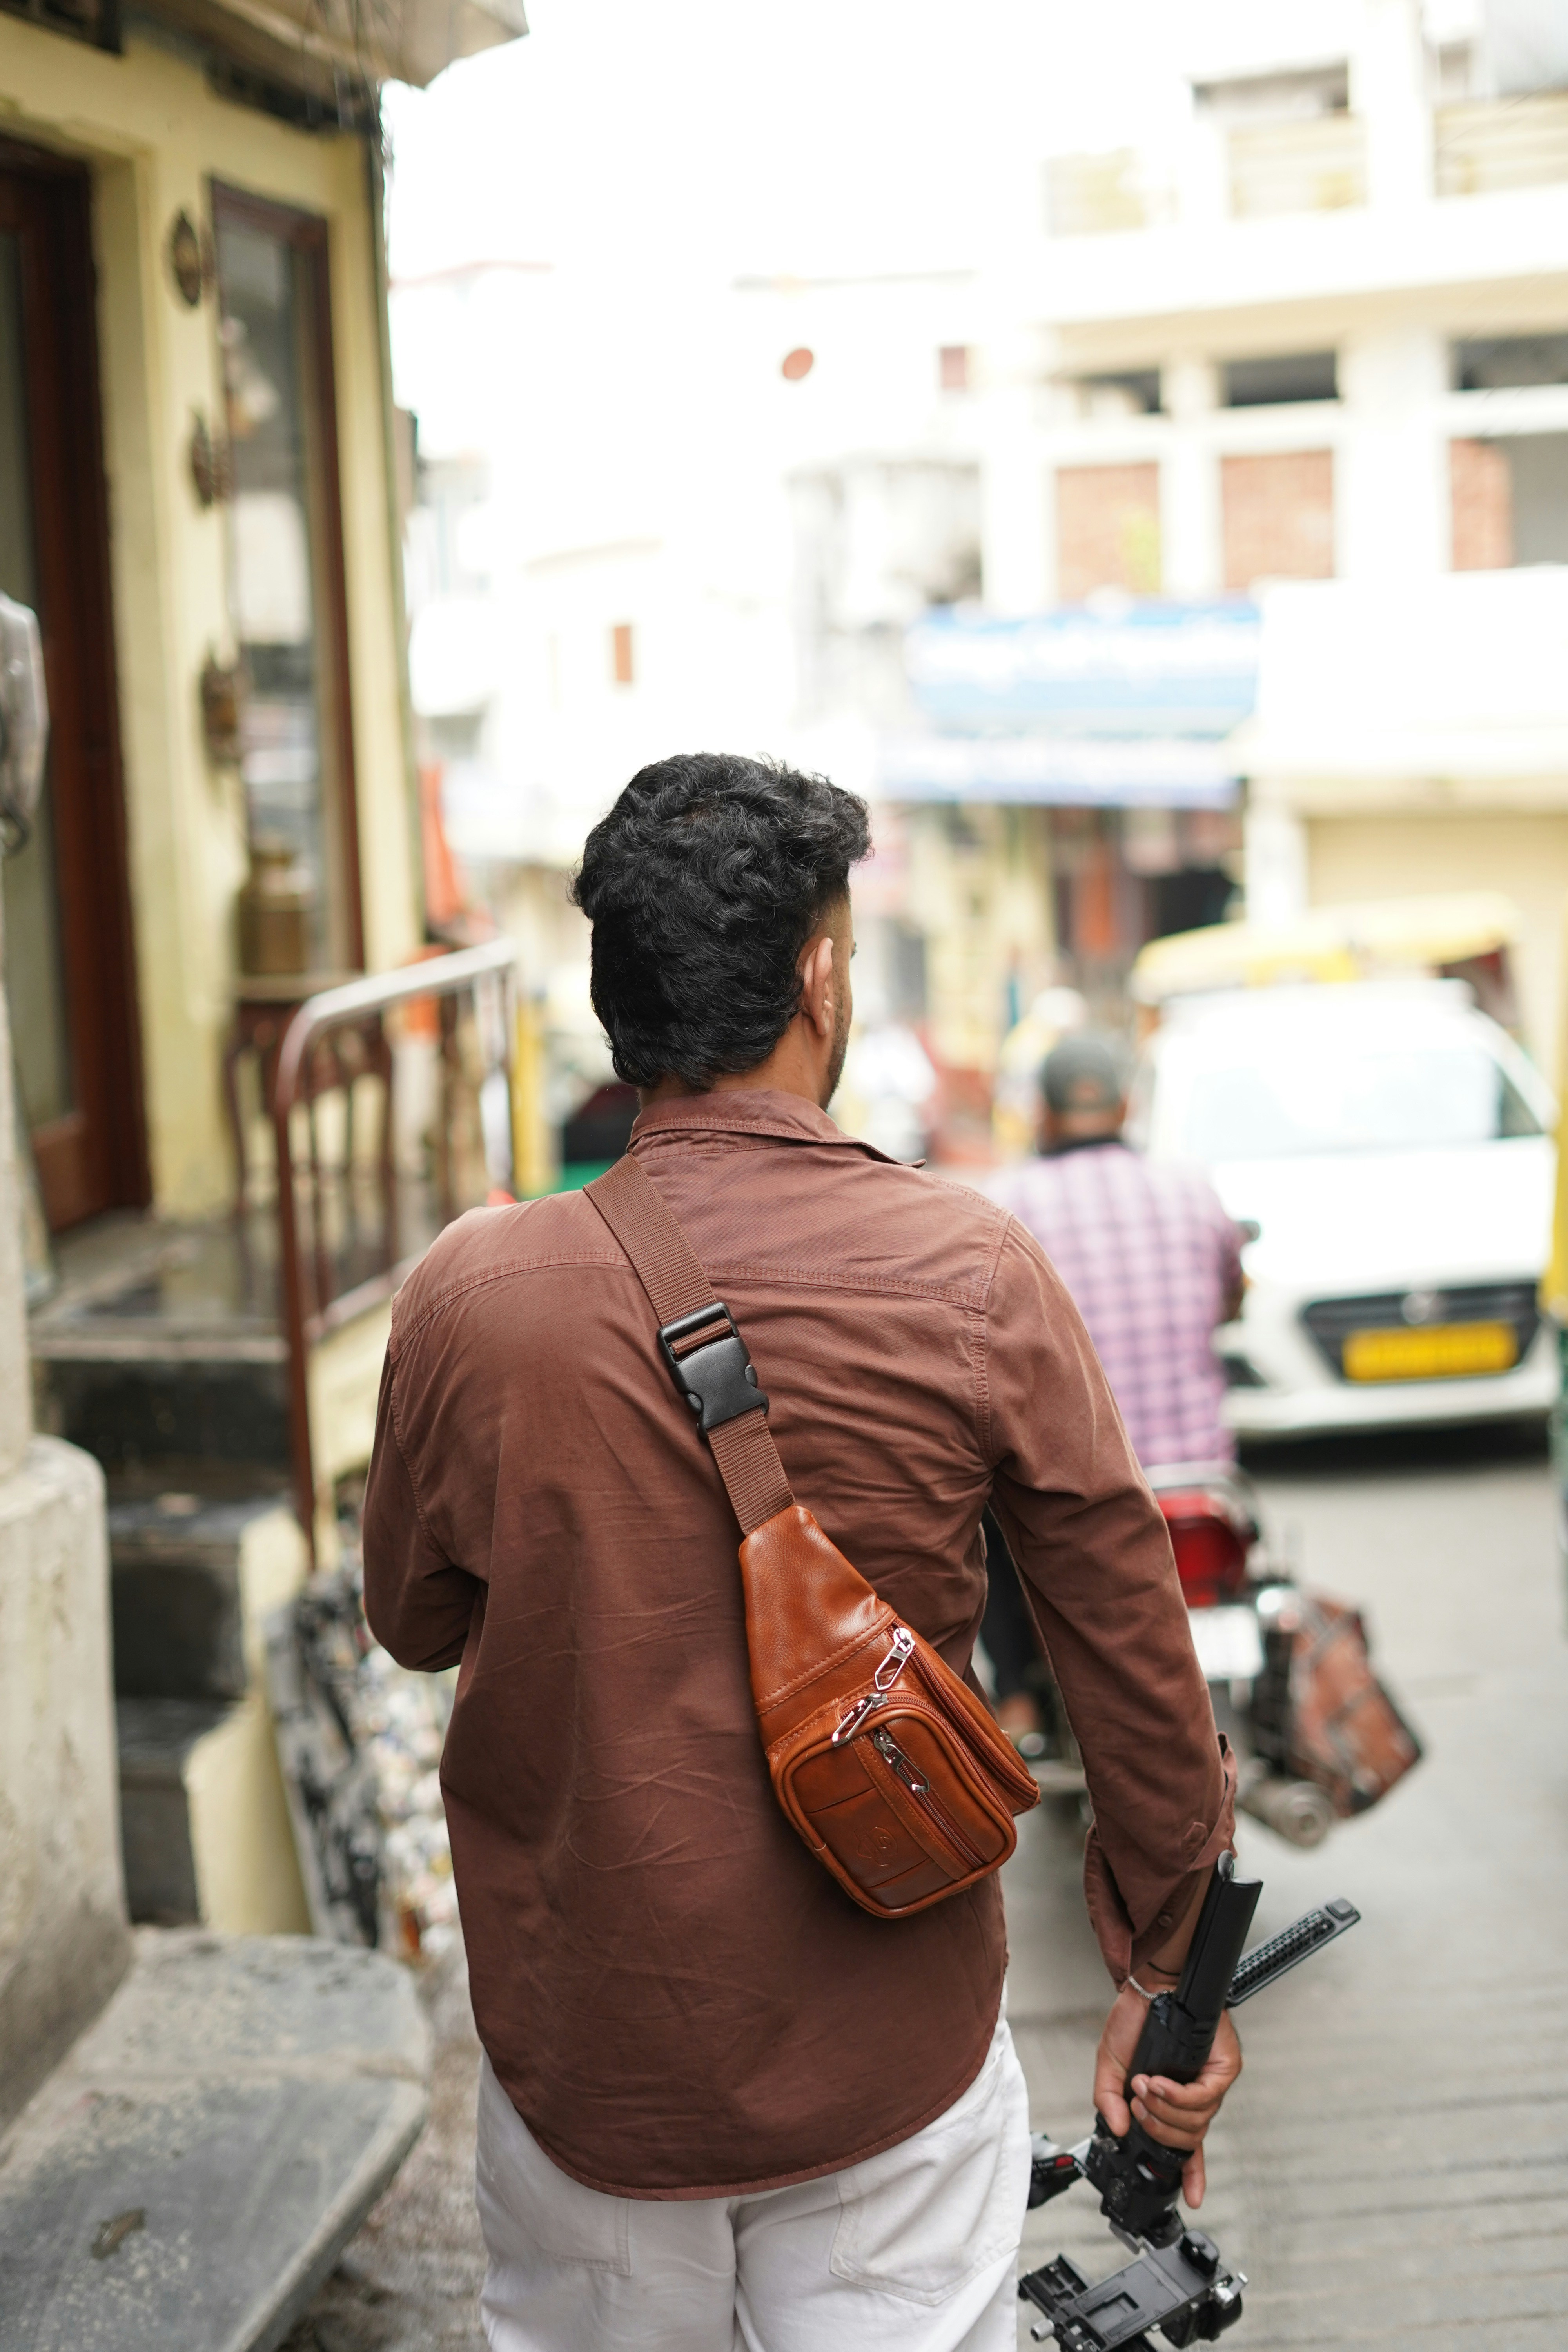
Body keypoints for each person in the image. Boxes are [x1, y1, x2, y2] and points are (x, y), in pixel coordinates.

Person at [361, 755, 1240, 2352]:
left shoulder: (467, 1298)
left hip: (589, 2079)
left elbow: (411, 1619)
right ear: (822, 978)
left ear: (616, 1000)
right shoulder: (967, 1268)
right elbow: (1126, 1648)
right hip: (885, 2064)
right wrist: (1167, 1970)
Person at [983, 1033, 1245, 1749]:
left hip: (1078, 1481)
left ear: (1042, 1112)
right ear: (1127, 1104)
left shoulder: (1001, 1208)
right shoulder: (1192, 1187)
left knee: (983, 1520)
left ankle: (1018, 1700)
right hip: (1199, 1478)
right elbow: (1231, 1296)